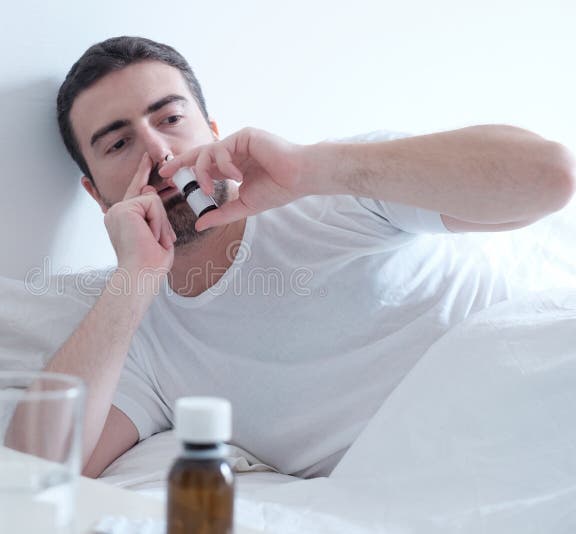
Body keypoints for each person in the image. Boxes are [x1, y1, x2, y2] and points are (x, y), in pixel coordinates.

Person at [46, 36, 574, 478]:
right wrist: (132, 280)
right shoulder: (139, 334)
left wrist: (313, 170)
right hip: (449, 491)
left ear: (211, 132)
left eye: (170, 118)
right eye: (118, 145)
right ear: (97, 196)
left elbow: (552, 175)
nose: (158, 154)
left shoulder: (333, 183)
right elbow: (36, 468)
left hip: (542, 404)